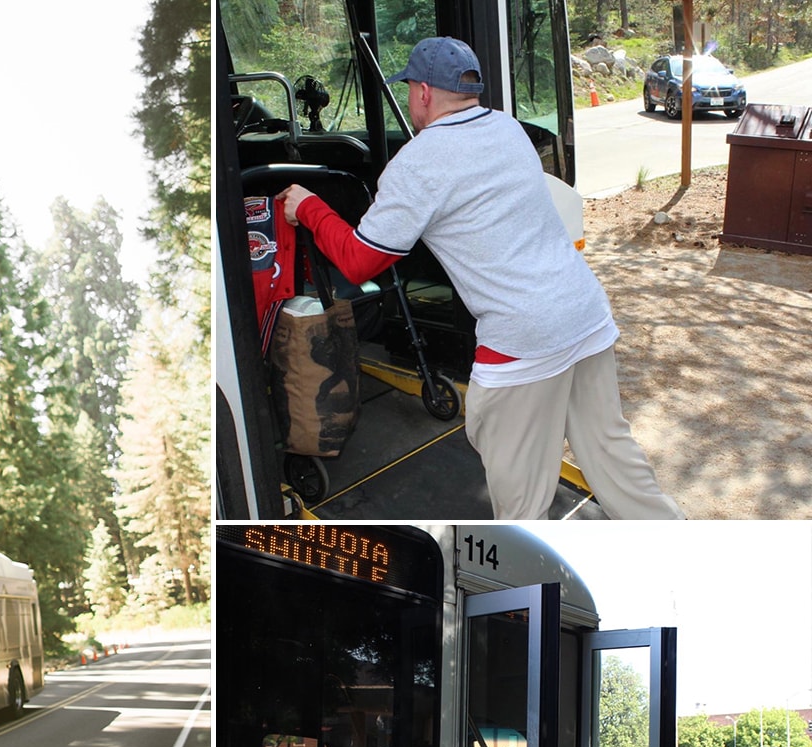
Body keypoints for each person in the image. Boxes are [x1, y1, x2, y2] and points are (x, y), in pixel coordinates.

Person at [275, 37, 684, 520]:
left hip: (523, 341)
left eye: (410, 89)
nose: (410, 99)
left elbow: (360, 262)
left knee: (521, 505)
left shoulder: (421, 161)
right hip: (585, 315)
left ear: (424, 92)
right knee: (614, 458)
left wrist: (309, 206)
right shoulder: (508, 129)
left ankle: (523, 587)